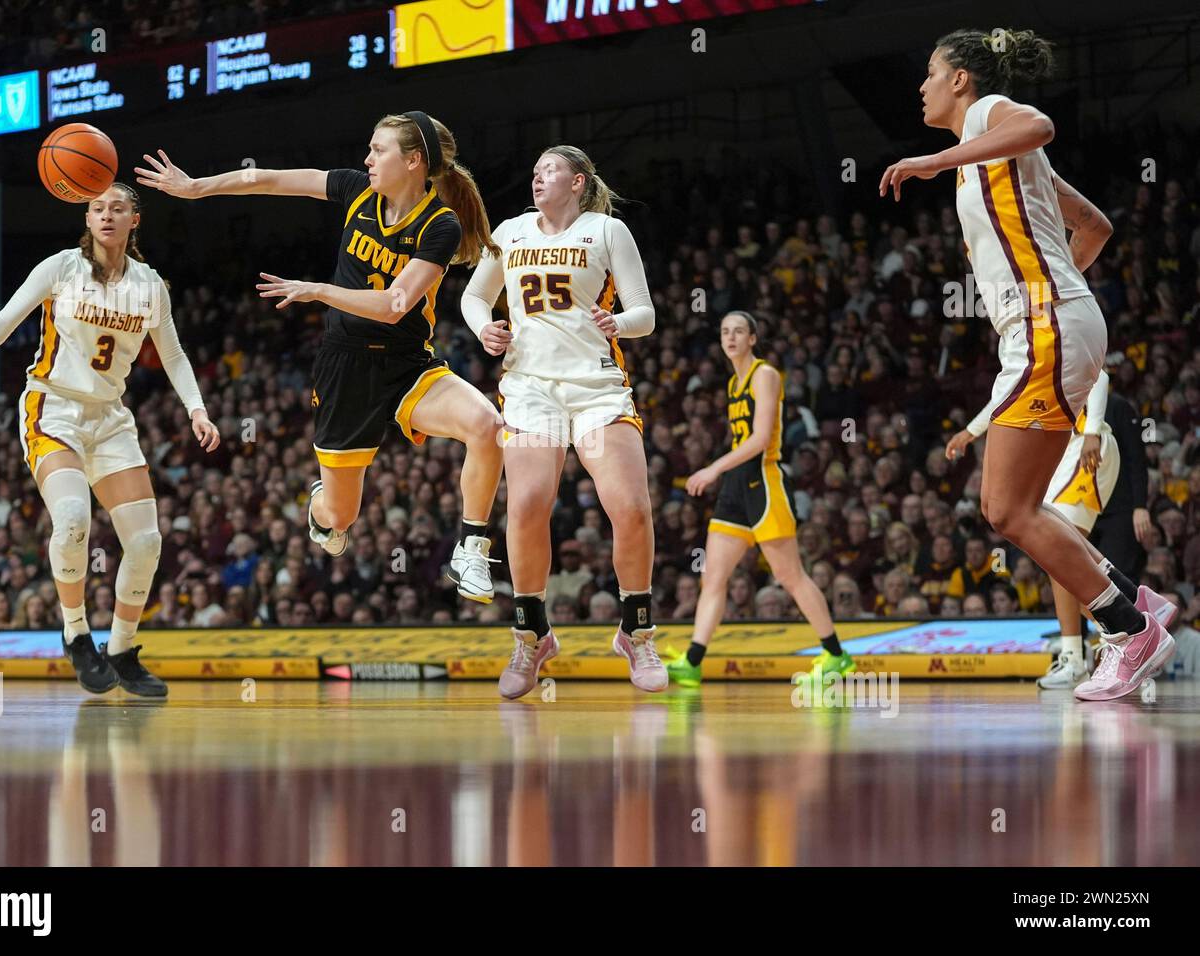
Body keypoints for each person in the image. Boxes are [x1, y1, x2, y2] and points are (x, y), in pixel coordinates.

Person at [883, 27, 1174, 701]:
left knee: (1006, 508)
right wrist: (1058, 288)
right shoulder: (1000, 158)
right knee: (1018, 505)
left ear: (961, 79)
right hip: (1057, 320)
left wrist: (933, 160)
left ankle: (1130, 631)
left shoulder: (987, 116)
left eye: (930, 72)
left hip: (1047, 325)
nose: (921, 85)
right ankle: (1138, 601)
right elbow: (1096, 226)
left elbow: (1040, 123)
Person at [136, 112, 505, 603]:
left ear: (413, 161)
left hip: (407, 365)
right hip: (344, 371)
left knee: (486, 425)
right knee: (341, 517)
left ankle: (471, 549)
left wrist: (317, 290)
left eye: (379, 150)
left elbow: (396, 305)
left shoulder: (441, 225)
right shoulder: (357, 191)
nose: (367, 159)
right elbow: (265, 178)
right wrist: (195, 187)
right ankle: (320, 511)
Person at [0, 184, 220, 698]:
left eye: (119, 208)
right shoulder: (61, 268)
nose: (107, 215)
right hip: (52, 407)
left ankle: (123, 648)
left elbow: (173, 356)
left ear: (135, 220)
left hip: (109, 418)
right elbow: (3, 321)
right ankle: (76, 631)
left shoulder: (151, 287)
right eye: (98, 208)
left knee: (148, 542)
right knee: (73, 518)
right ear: (87, 217)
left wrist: (197, 409)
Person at [461, 145, 664, 697]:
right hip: (530, 389)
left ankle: (636, 630)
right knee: (527, 505)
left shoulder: (607, 231)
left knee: (630, 508)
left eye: (549, 169)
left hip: (596, 387)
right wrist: (485, 328)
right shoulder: (508, 232)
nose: (537, 177)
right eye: (533, 171)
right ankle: (531, 636)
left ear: (578, 181)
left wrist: (617, 320)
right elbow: (474, 297)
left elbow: (645, 313)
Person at [665, 312, 850, 688]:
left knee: (790, 576)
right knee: (713, 577)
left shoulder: (764, 375)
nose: (730, 337)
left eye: (738, 331)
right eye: (724, 332)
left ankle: (835, 655)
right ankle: (693, 661)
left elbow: (761, 438)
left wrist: (712, 469)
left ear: (752, 338)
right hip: (737, 488)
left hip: (764, 482)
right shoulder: (734, 383)